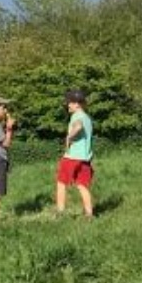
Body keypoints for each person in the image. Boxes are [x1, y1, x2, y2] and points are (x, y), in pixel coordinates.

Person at [55, 89, 95, 217]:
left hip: (72, 157)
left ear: (77, 104)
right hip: (85, 158)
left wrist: (69, 137)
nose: (68, 105)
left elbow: (78, 126)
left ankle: (60, 212)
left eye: (70, 102)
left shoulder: (77, 116)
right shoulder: (87, 118)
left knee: (61, 183)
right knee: (82, 186)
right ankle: (89, 214)